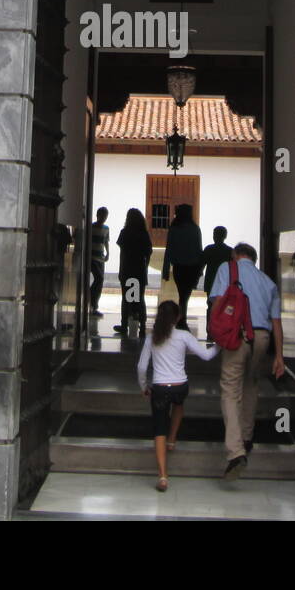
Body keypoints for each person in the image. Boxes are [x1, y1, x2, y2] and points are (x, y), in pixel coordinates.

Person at [208, 242, 284, 480]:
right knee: (251, 384)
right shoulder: (268, 282)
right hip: (262, 338)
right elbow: (276, 322)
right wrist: (279, 357)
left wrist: (216, 332)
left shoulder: (227, 269)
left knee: (230, 390)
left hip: (237, 336)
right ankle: (247, 437)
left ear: (235, 255)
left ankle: (235, 452)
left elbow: (217, 302)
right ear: (254, 259)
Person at [137, 300, 218, 492]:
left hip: (159, 388)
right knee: (178, 404)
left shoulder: (152, 337)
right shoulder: (184, 336)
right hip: (180, 386)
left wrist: (144, 386)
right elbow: (207, 356)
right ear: (178, 317)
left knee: (159, 429)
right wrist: (221, 344)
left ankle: (163, 476)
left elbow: (141, 367)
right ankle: (172, 439)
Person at [163, 203, 204, 330]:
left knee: (182, 294)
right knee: (185, 295)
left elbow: (169, 249)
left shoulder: (174, 228)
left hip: (179, 267)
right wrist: (200, 269)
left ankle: (181, 319)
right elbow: (199, 249)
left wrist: (166, 269)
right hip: (192, 267)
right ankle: (182, 319)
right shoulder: (195, 229)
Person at [114, 207, 153, 337]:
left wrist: (121, 270)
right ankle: (143, 326)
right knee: (139, 298)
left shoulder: (125, 233)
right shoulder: (144, 234)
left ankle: (124, 324)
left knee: (126, 298)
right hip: (139, 269)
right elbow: (149, 252)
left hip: (127, 269)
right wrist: (145, 267)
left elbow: (122, 253)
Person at [201, 225, 232, 337]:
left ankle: (210, 330)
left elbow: (201, 264)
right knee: (225, 306)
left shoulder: (209, 249)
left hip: (211, 281)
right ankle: (222, 329)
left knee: (211, 305)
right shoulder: (229, 251)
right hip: (225, 283)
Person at [88, 206, 110, 316]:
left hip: (100, 258)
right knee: (99, 278)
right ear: (97, 215)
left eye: (105, 216)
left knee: (100, 282)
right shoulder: (91, 227)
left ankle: (94, 305)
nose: (104, 218)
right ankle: (90, 297)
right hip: (92, 258)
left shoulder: (106, 228)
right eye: (102, 215)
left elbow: (106, 241)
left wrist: (108, 253)